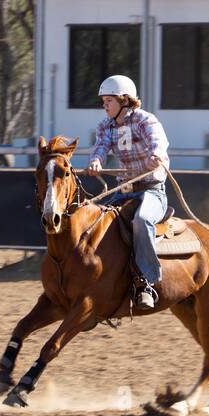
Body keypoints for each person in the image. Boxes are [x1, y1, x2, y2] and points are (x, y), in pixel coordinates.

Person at [83, 75, 170, 312]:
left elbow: (159, 143)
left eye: (109, 100)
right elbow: (100, 148)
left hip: (151, 191)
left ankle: (146, 283)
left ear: (124, 100)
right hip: (123, 192)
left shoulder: (145, 120)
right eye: (103, 101)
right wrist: (96, 162)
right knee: (94, 222)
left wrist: (156, 156)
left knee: (142, 220)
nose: (105, 105)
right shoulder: (105, 126)